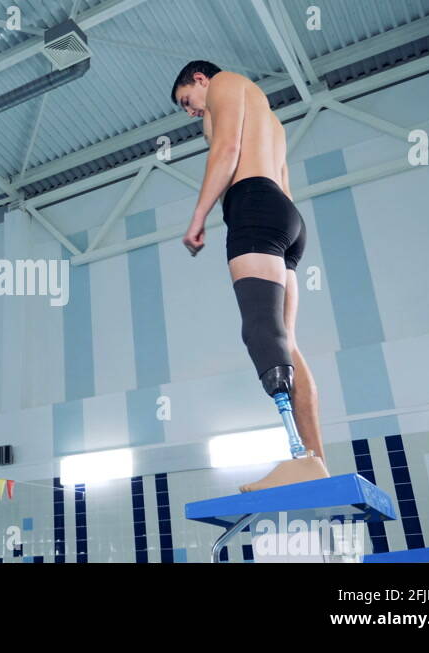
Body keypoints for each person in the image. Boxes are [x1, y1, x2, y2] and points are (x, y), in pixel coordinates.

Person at [169, 60, 328, 492]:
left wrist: (198, 217)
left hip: (253, 207)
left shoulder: (225, 85)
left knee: (260, 330)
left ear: (199, 79)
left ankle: (301, 457)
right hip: (287, 216)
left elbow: (226, 153)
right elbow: (282, 182)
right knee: (286, 342)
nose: (190, 112)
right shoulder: (270, 120)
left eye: (187, 101)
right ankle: (315, 463)